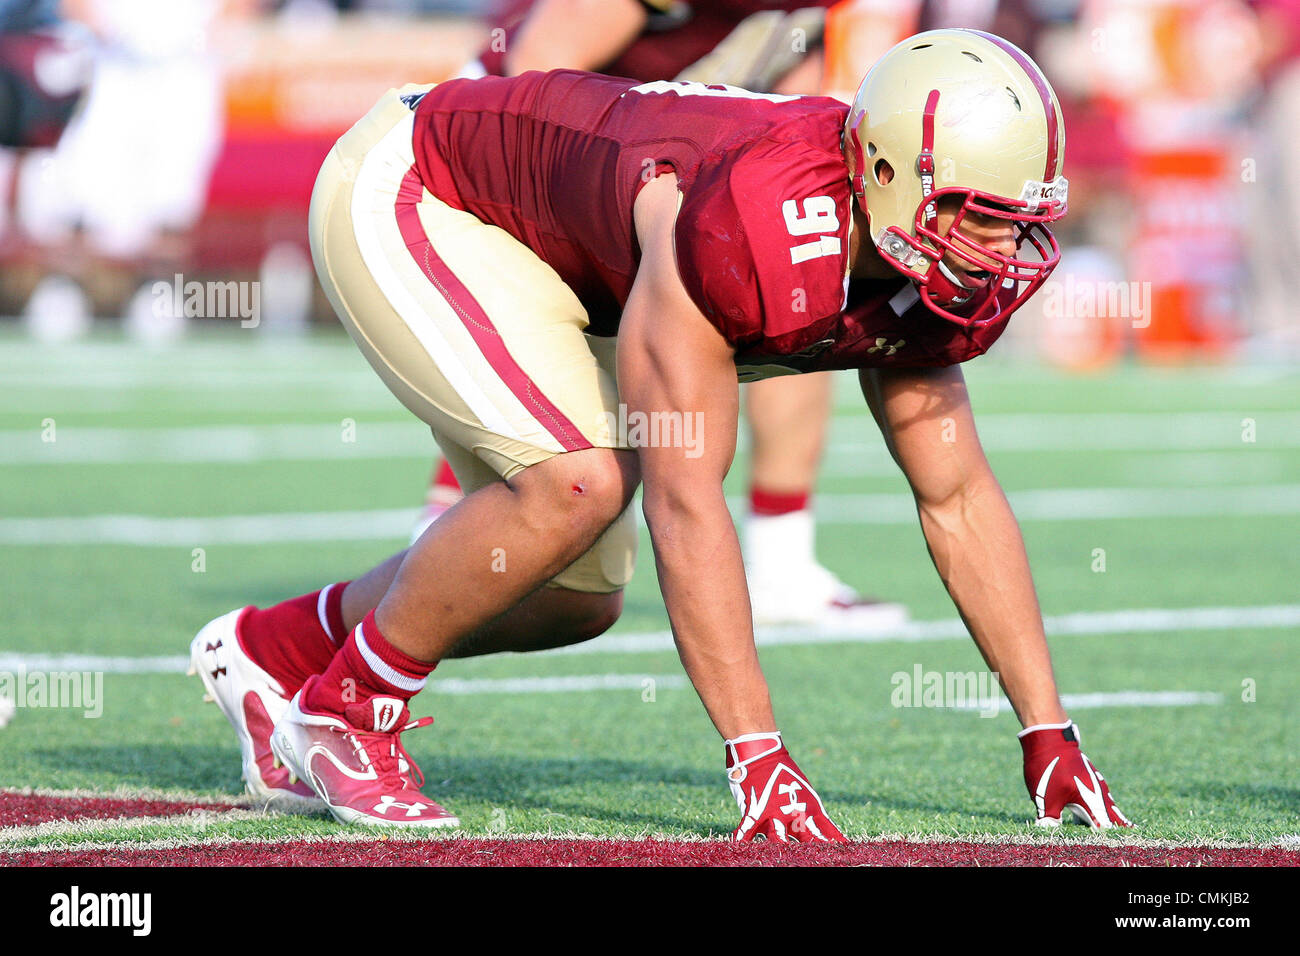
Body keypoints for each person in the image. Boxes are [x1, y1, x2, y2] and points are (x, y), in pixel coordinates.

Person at [191, 28, 1131, 840]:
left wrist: (1045, 730)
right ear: (885, 174)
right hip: (426, 187)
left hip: (574, 261)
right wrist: (757, 757)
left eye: (1017, 224)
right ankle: (349, 712)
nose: (999, 254)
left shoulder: (904, 250)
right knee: (579, 484)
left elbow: (956, 496)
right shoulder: (748, 220)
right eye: (976, 216)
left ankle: (274, 650)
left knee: (573, 599)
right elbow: (687, 501)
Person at [414, 0, 907, 630]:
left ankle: (782, 558)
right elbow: (536, 71)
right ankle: (447, 523)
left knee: (811, 271)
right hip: (518, 149)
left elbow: (792, 95)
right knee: (553, 345)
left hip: (660, 153)